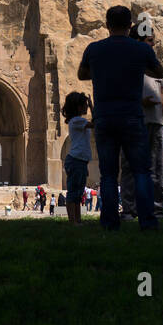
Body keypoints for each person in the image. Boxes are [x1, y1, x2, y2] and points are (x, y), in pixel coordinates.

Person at [77, 5, 163, 231]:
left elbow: (82, 74)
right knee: (141, 171)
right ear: (129, 26)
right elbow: (159, 72)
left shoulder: (94, 49)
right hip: (132, 116)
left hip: (104, 117)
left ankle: (109, 222)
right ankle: (147, 221)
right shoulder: (140, 50)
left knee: (108, 173)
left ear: (107, 25)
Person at [121, 26, 163, 221]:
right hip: (133, 120)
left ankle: (157, 210)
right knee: (129, 167)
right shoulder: (126, 65)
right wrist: (141, 103)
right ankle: (129, 210)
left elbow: (162, 94)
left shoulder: (154, 66)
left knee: (157, 168)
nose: (153, 44)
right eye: (149, 40)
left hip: (156, 122)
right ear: (139, 42)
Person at [62, 91, 93, 226]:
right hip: (76, 160)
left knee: (78, 192)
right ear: (78, 107)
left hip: (79, 160)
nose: (86, 107)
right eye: (85, 105)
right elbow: (96, 123)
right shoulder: (77, 121)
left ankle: (77, 220)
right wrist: (93, 107)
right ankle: (72, 220)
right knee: (73, 192)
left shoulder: (78, 121)